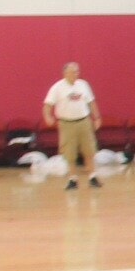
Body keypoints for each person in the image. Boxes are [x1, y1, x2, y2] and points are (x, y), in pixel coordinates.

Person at [42, 60, 101, 190]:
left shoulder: (84, 85)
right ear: (65, 73)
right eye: (73, 71)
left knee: (89, 150)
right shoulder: (57, 87)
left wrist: (96, 117)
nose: (76, 73)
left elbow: (91, 102)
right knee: (70, 153)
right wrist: (48, 116)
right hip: (67, 123)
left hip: (84, 121)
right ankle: (72, 179)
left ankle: (93, 177)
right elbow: (47, 105)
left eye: (77, 71)